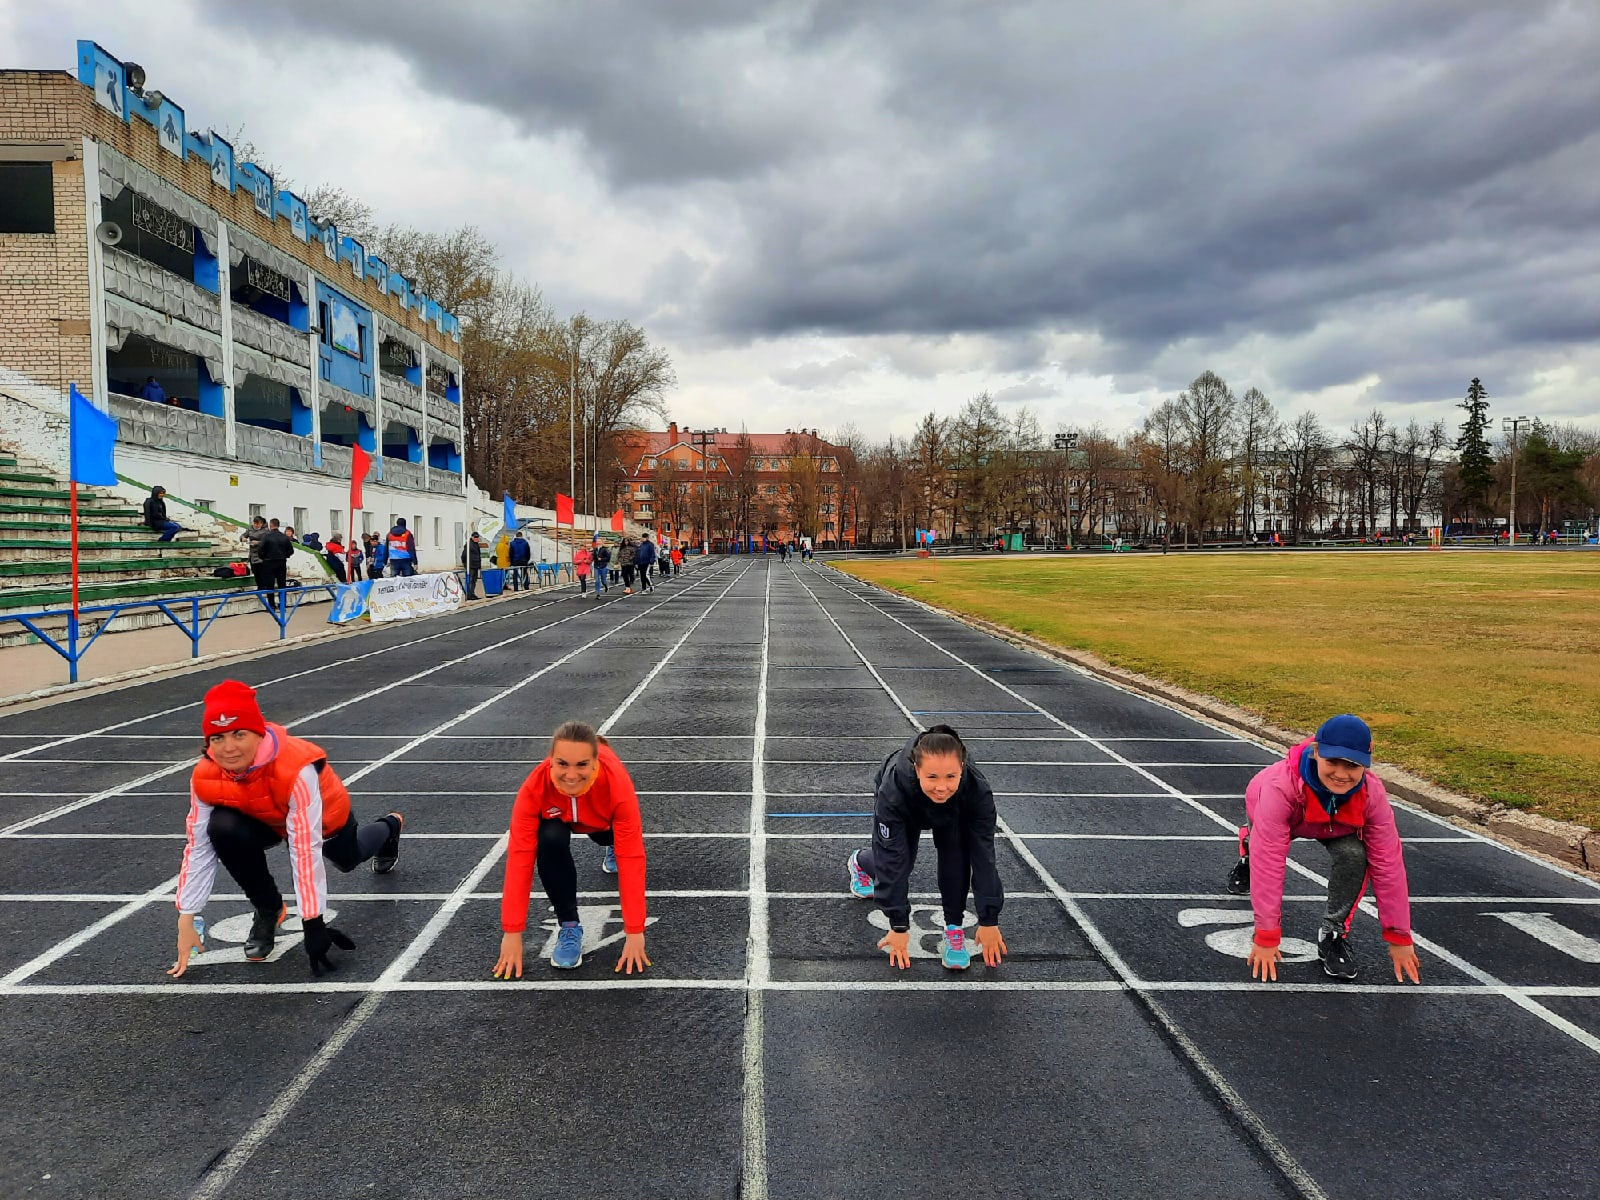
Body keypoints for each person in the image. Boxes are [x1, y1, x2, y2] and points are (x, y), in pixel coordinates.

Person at [167, 680, 403, 977]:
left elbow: (304, 849)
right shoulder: (205, 775)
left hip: (323, 814)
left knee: (348, 857)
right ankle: (268, 909)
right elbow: (198, 845)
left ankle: (389, 827)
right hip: (263, 816)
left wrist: (312, 922)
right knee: (222, 829)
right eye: (218, 738)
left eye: (239, 734)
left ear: (259, 733)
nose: (228, 748)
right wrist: (186, 917)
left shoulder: (296, 769)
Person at [1228, 714, 1420, 985]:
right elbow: (1270, 862)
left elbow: (1388, 863)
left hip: (1335, 823)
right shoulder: (1278, 788)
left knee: (1354, 856)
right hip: (1279, 808)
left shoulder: (1372, 794)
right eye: (1332, 762)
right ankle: (1245, 852)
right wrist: (1267, 935)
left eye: (1352, 766)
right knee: (1258, 849)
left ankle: (1333, 934)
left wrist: (1398, 935)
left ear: (1366, 764)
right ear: (1316, 752)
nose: (1341, 774)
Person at [493, 721, 650, 975]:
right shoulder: (534, 787)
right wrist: (512, 932)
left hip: (602, 820)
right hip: (558, 817)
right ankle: (569, 926)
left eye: (582, 765)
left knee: (613, 840)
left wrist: (634, 931)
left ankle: (609, 844)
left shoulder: (616, 785)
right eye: (563, 764)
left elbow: (632, 858)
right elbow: (519, 858)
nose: (571, 774)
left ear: (595, 763)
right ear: (551, 761)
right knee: (549, 838)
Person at [847, 725, 1007, 971]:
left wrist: (989, 919)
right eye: (932, 777)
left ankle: (953, 931)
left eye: (950, 777)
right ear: (917, 769)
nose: (941, 787)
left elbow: (984, 856)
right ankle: (860, 862)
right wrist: (898, 924)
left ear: (961, 769)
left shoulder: (976, 791)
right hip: (907, 806)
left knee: (956, 856)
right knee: (900, 862)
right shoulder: (893, 791)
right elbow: (892, 860)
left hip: (955, 808)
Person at [257, 521, 295, 613]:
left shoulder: (266, 536)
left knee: (270, 585)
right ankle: (282, 605)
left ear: (270, 525)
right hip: (281, 562)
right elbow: (291, 550)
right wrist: (284, 556)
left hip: (268, 562)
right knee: (282, 584)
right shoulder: (284, 537)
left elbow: (260, 550)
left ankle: (271, 606)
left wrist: (264, 557)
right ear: (278, 525)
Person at [242, 516, 270, 593]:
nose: (256, 525)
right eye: (255, 523)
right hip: (252, 555)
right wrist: (243, 538)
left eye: (258, 524)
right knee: (255, 572)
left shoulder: (266, 531)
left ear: (261, 523)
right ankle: (260, 587)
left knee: (262, 572)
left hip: (262, 555)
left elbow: (268, 542)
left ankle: (264, 587)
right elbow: (243, 535)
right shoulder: (250, 529)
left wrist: (258, 543)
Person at [461, 531, 483, 600]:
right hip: (470, 566)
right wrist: (465, 565)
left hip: (476, 565)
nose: (476, 538)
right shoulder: (469, 545)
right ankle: (469, 594)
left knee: (474, 580)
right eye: (475, 537)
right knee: (470, 580)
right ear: (472, 537)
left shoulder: (476, 545)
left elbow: (478, 555)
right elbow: (463, 556)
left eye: (477, 537)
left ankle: (472, 593)